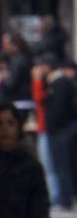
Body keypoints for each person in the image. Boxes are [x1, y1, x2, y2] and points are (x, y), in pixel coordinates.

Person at [44, 59, 77, 210]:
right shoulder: (58, 83)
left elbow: (58, 110)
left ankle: (65, 199)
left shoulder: (60, 84)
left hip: (61, 131)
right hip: (61, 130)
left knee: (62, 166)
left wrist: (52, 127)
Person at [32, 52, 60, 206]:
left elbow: (39, 99)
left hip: (46, 127)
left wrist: (36, 81)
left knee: (48, 164)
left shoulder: (48, 83)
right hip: (44, 127)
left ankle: (54, 196)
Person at [0, 31, 33, 105]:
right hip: (19, 100)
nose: (4, 47)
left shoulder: (18, 61)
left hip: (18, 101)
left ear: (14, 45)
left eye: (6, 44)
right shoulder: (15, 58)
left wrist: (2, 77)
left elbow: (11, 84)